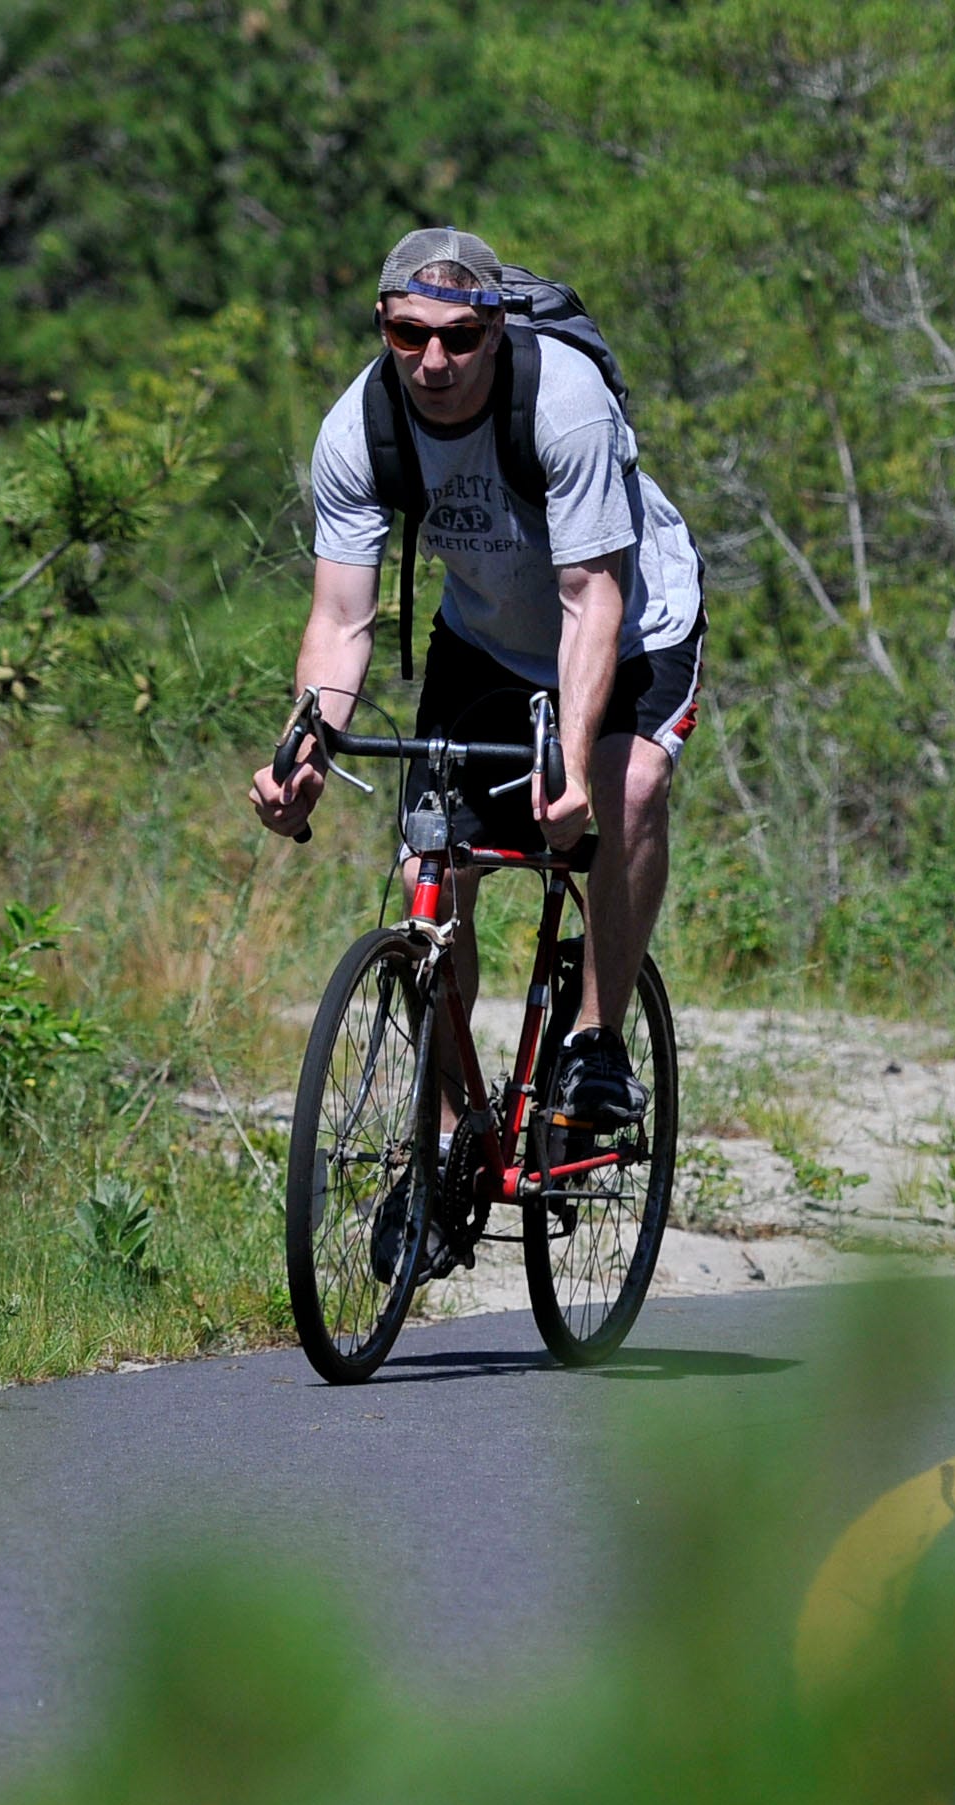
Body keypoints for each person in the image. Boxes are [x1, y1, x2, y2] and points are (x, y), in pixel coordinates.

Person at [252, 226, 704, 1141]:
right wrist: (304, 747)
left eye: (459, 336)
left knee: (628, 788)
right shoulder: (359, 428)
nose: (433, 360)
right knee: (430, 866)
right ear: (382, 324)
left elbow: (591, 598)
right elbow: (340, 620)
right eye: (407, 333)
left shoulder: (564, 404)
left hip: (628, 628)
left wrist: (574, 762)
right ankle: (450, 1138)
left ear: (495, 330)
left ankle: (594, 1039)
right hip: (488, 636)